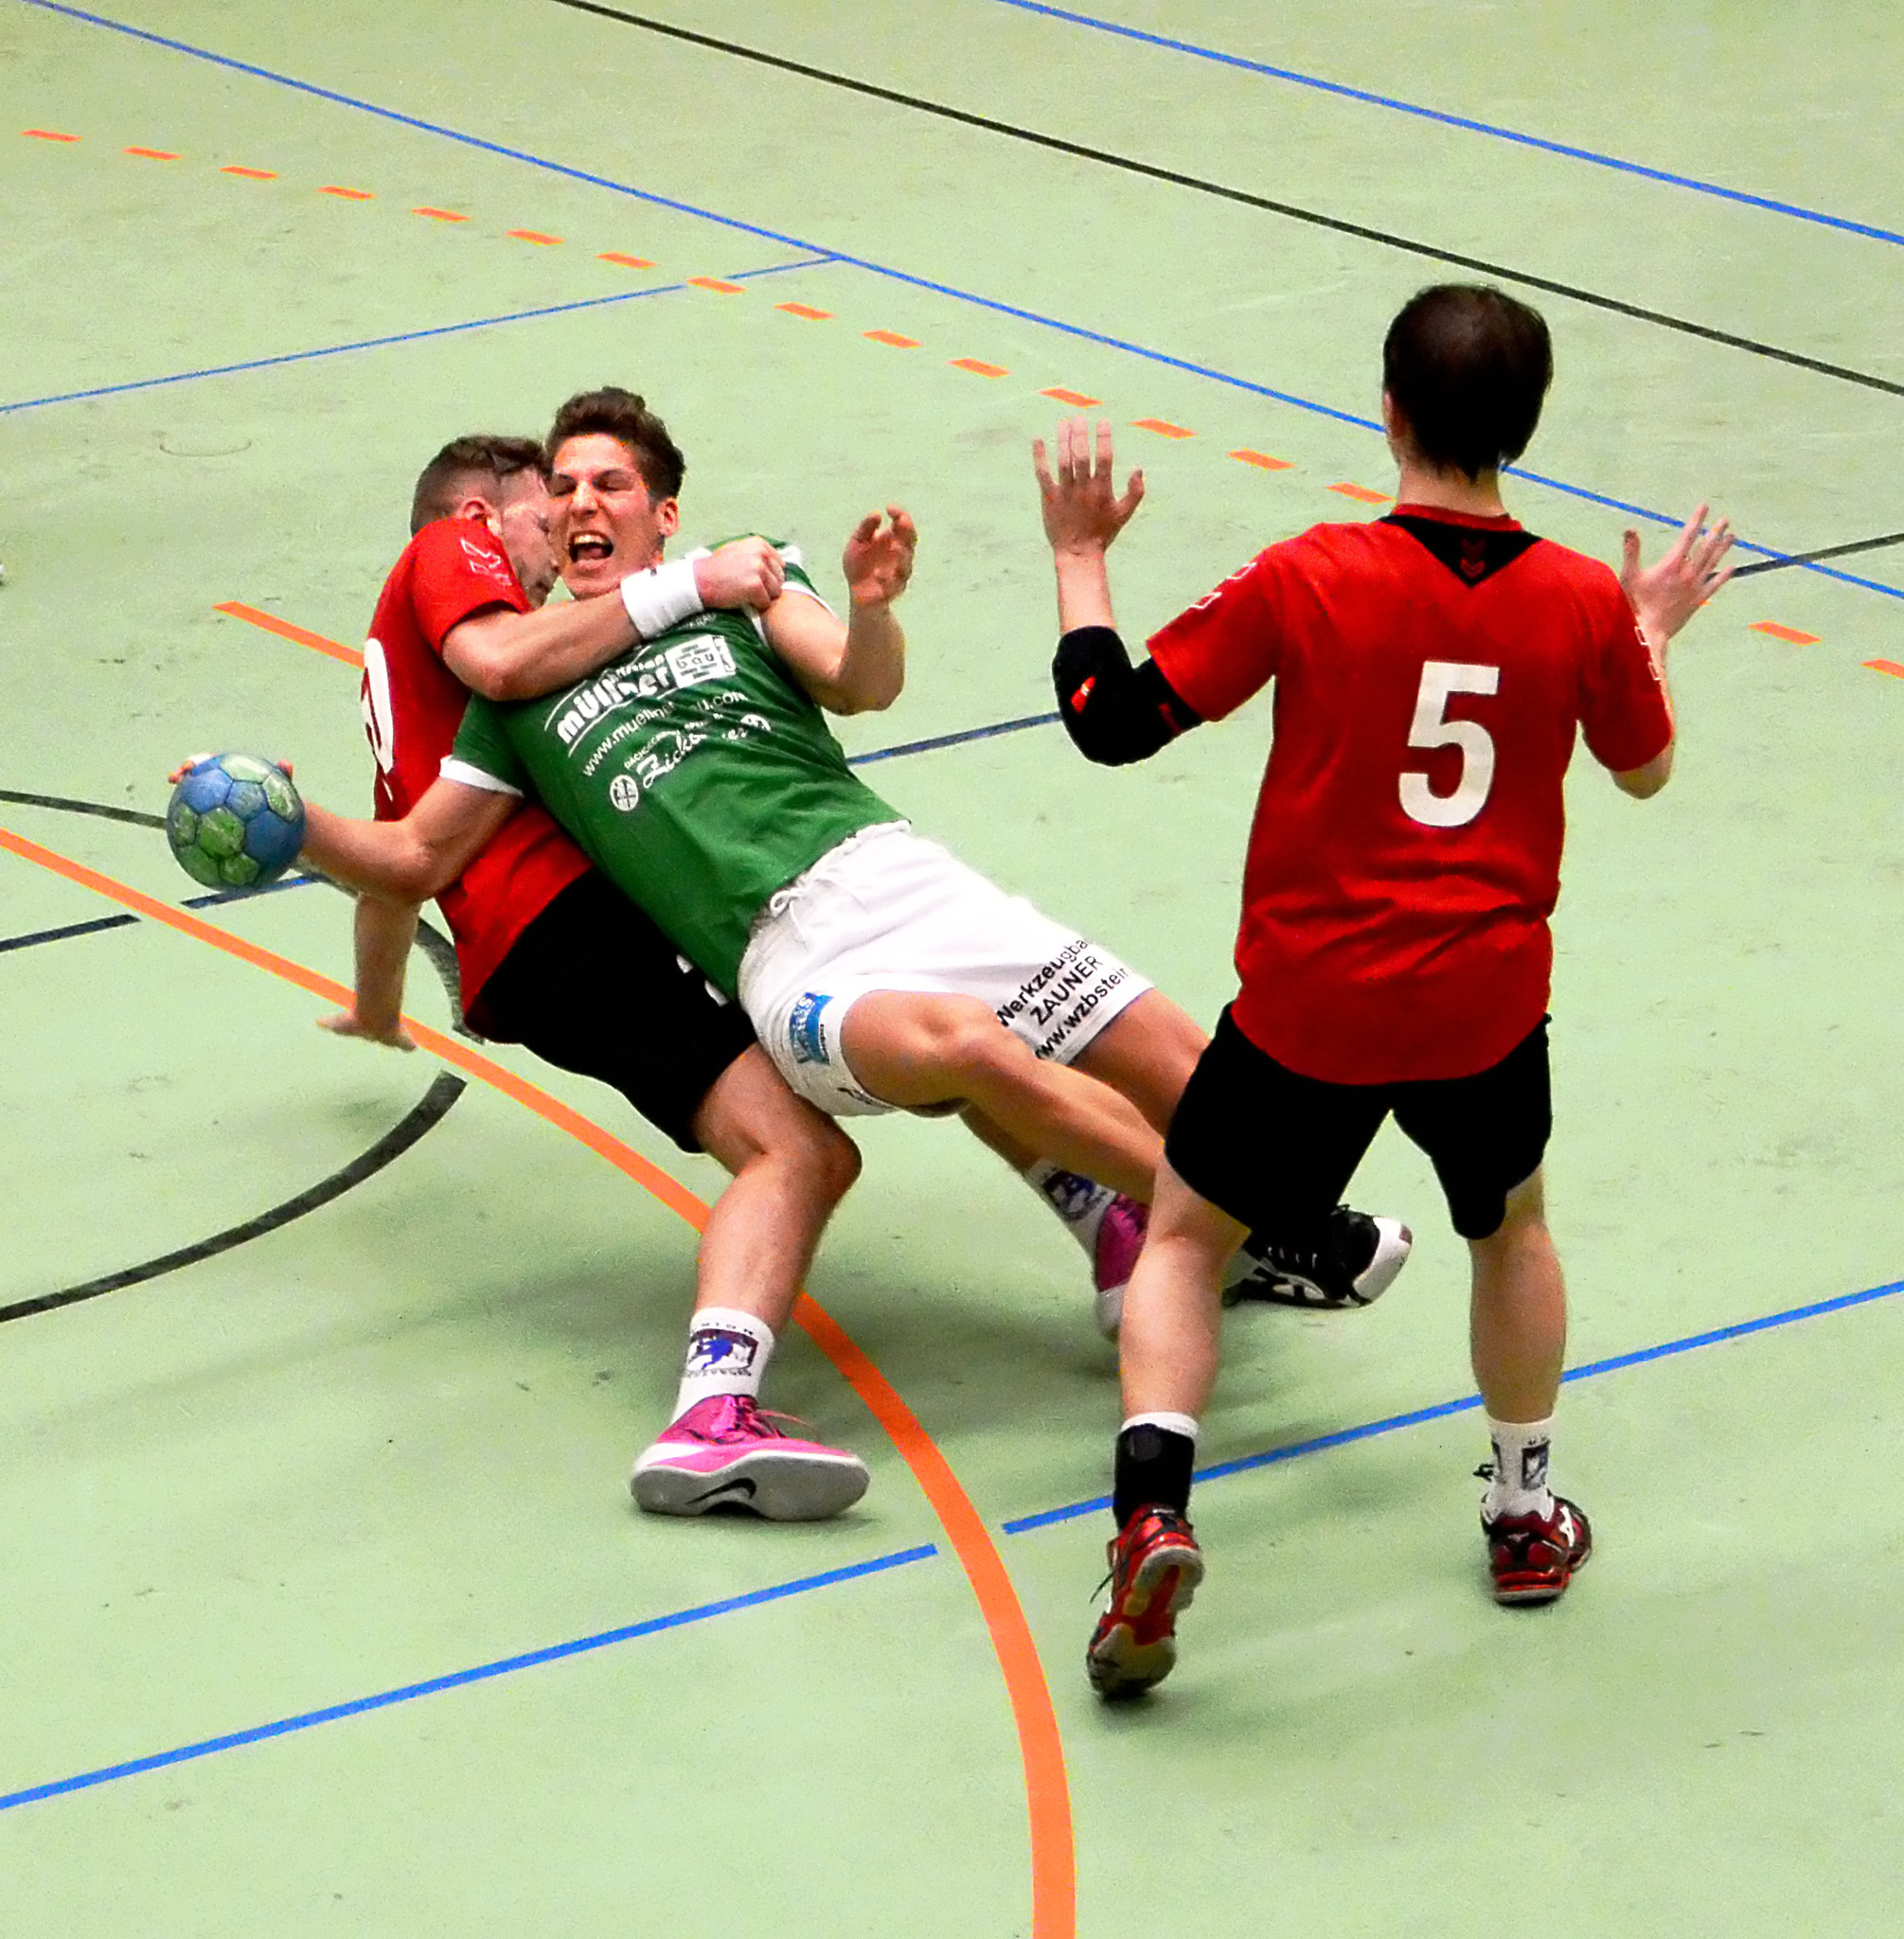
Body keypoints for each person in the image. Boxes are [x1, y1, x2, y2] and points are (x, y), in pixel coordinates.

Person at [310, 389, 1411, 1331]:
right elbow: (421, 840)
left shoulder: (744, 581)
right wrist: (305, 845)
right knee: (968, 1061)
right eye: (562, 488)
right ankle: (1265, 1223)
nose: (580, 504)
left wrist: (872, 609)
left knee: (1173, 1054)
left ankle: (1208, 1232)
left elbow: (857, 680)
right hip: (786, 950)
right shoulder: (524, 688)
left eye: (609, 484)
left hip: (894, 871)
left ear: (664, 512)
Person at [1039, 284, 1735, 1699]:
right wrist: (1647, 626)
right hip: (1482, 1006)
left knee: (1184, 1239)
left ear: (1389, 410)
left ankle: (1152, 1517)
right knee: (1509, 1228)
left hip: (1311, 1005)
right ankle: (1524, 1513)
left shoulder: (1312, 573)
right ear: (1524, 429)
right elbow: (1645, 768)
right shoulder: (1577, 599)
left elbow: (1109, 724)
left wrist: (1079, 558)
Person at [302, 433, 874, 1523]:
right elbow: (502, 662)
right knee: (803, 1136)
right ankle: (711, 1415)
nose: (561, 532)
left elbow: (401, 871)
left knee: (849, 1055)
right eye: (544, 506)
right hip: (575, 919)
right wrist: (689, 585)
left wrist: (377, 1007)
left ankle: (1099, 1201)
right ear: (481, 518)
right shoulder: (450, 555)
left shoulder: (411, 705)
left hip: (534, 954)